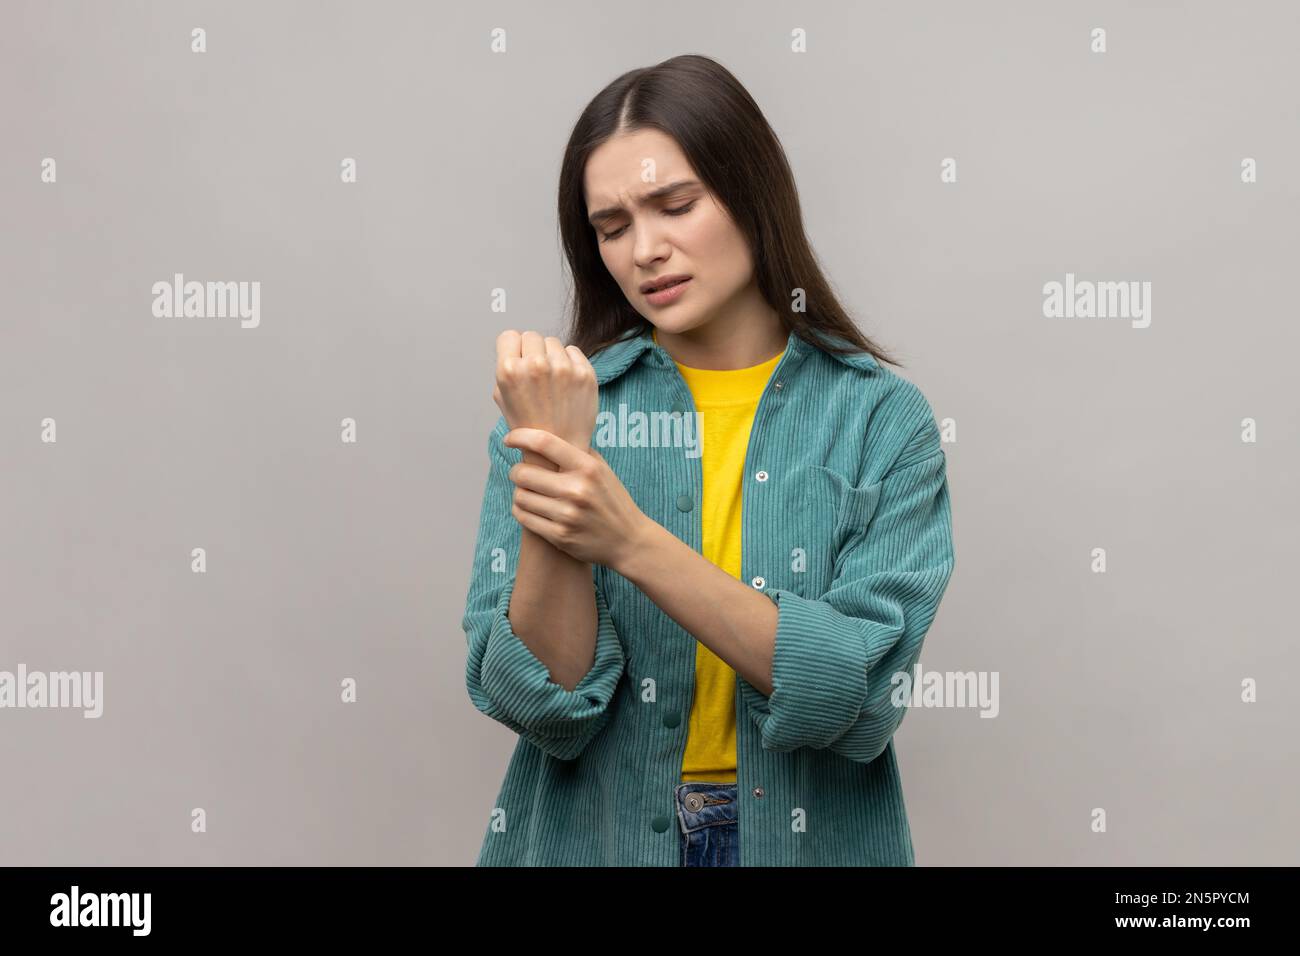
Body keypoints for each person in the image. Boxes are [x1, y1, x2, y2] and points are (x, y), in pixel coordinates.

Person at [461, 54, 955, 867]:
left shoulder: (880, 421)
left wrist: (628, 541)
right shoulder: (564, 412)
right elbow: (542, 708)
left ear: (751, 193)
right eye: (612, 227)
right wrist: (555, 462)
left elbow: (855, 699)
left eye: (675, 205)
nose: (645, 250)